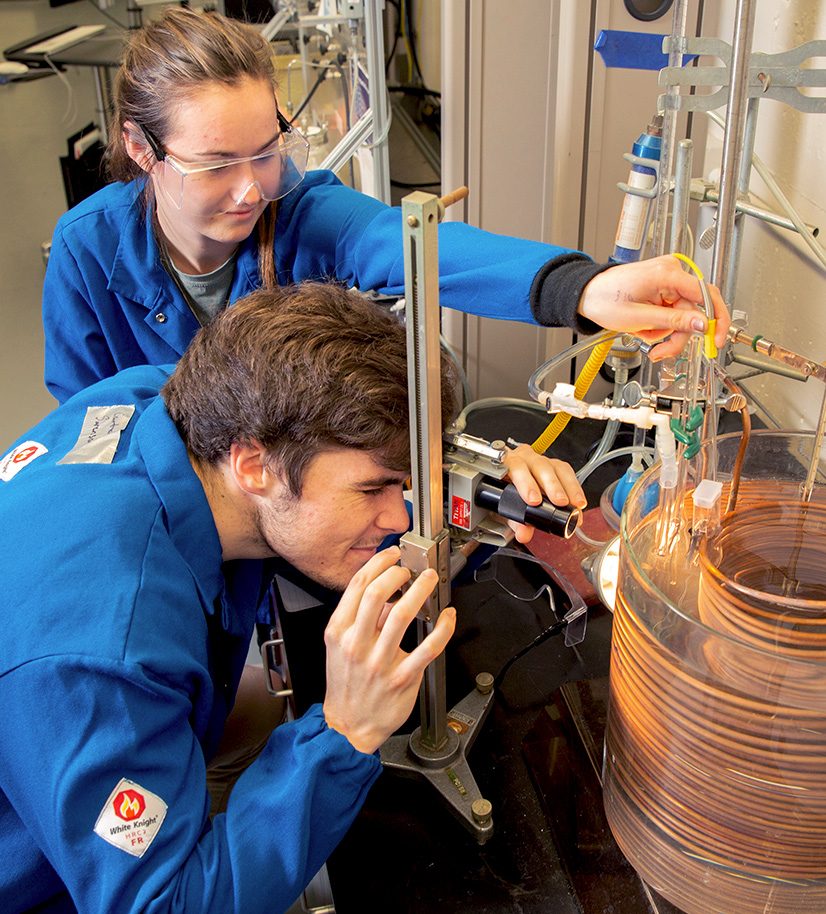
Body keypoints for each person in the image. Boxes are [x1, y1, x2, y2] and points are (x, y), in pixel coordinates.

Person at [0, 281, 586, 913]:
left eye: (407, 483)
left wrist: (477, 474)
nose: (400, 515)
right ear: (254, 466)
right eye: (375, 490)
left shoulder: (171, 404)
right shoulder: (102, 660)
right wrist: (345, 732)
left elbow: (324, 484)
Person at [41, 7, 730, 405]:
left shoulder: (298, 215)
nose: (252, 188)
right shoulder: (86, 250)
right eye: (218, 164)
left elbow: (402, 241)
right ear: (141, 147)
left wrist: (585, 287)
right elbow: (91, 424)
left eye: (267, 150)